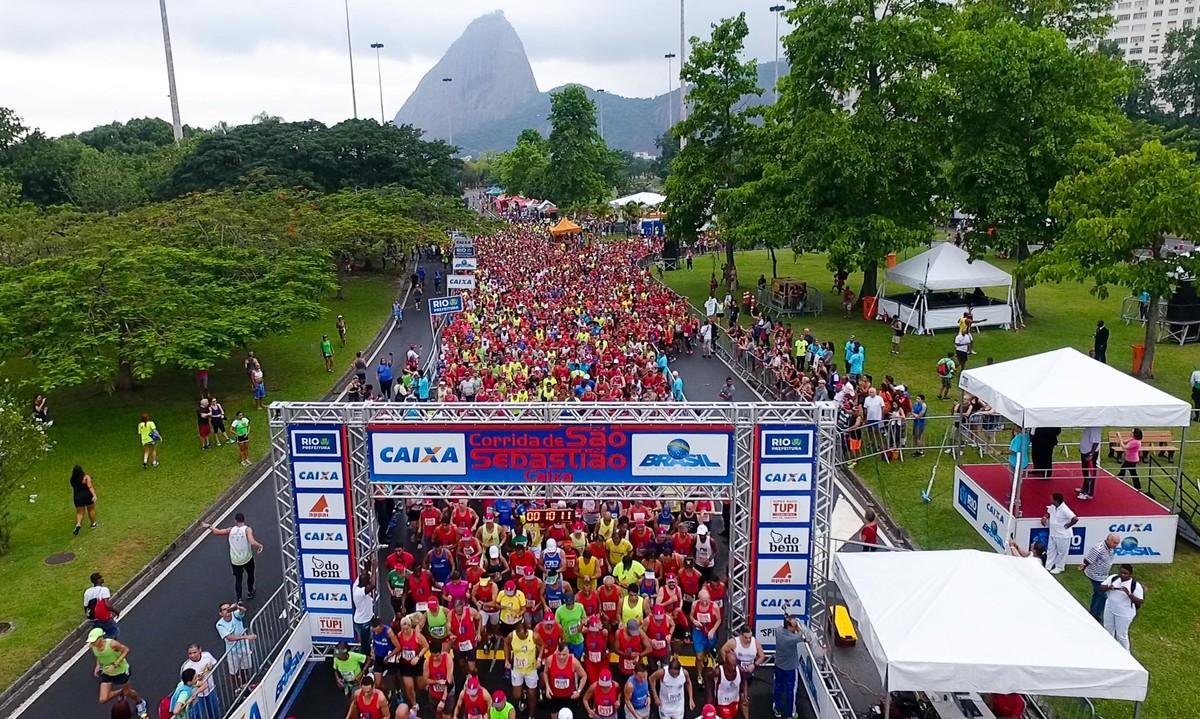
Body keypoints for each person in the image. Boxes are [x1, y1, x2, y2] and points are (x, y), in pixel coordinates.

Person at [201, 513, 263, 601]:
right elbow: (252, 542)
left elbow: (217, 532)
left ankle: (239, 599)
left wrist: (208, 526)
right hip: (247, 558)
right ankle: (250, 591)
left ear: (235, 521)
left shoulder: (230, 530)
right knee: (250, 574)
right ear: (244, 520)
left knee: (238, 579)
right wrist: (259, 546)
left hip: (235, 561)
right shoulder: (247, 530)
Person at [87, 628, 147, 714]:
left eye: (94, 641)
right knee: (103, 699)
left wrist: (114, 665)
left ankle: (140, 702)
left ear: (101, 638)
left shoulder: (112, 644)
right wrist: (98, 665)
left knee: (128, 692)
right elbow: (99, 656)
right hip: (107, 672)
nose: (92, 643)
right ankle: (121, 691)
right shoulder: (93, 647)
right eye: (91, 641)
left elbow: (126, 650)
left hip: (121, 671)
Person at [1102, 564, 1145, 650]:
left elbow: (1139, 602)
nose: (1123, 575)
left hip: (1124, 614)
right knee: (1107, 630)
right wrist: (1109, 587)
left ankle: (1126, 653)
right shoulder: (1113, 578)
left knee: (1121, 635)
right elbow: (1102, 588)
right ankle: (1108, 649)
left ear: (1130, 575)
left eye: (1125, 573)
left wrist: (1128, 593)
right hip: (1110, 608)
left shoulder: (1135, 585)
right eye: (1121, 572)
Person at [215, 602, 256, 690]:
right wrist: (246, 637)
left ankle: (244, 684)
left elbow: (243, 611)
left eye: (228, 608)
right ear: (221, 613)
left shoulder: (235, 614)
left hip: (244, 646)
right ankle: (236, 689)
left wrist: (237, 607)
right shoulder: (220, 624)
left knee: (245, 667)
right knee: (234, 672)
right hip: (232, 651)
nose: (227, 610)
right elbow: (230, 638)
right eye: (224, 609)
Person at [1081, 534, 1121, 622]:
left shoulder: (1110, 548)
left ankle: (1093, 612)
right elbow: (1088, 560)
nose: (1116, 545)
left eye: (1118, 543)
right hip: (1095, 575)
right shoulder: (1098, 549)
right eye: (1115, 543)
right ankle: (1096, 616)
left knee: (1097, 594)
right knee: (1103, 595)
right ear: (1108, 540)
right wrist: (1083, 567)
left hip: (1103, 575)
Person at [772, 615, 805, 719]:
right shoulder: (794, 638)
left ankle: (777, 708)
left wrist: (790, 621)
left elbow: (783, 627)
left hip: (779, 665)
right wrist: (799, 628)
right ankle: (790, 714)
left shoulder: (778, 631)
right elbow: (804, 636)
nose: (796, 627)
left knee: (778, 686)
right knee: (791, 691)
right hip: (790, 668)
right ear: (789, 627)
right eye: (795, 626)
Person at [1041, 493, 1078, 574]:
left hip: (1063, 536)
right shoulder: (1053, 506)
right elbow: (1048, 512)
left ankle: (1060, 567)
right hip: (1053, 533)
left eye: (1051, 498)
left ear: (1056, 500)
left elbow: (1075, 519)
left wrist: (1068, 525)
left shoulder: (1065, 509)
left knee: (1061, 552)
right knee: (1050, 550)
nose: (1050, 499)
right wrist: (1044, 517)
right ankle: (1048, 566)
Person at [181, 644, 219, 719]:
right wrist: (197, 680)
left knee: (214, 709)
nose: (192, 655)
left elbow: (214, 663)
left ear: (200, 650)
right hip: (197, 695)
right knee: (195, 714)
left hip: (210, 689)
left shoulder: (207, 656)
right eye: (190, 653)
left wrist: (211, 667)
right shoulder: (187, 667)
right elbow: (187, 683)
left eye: (195, 652)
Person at [85, 572, 119, 638]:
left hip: (93, 619)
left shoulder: (87, 592)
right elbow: (107, 605)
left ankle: (99, 641)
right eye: (101, 578)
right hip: (103, 618)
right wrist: (116, 611)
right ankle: (106, 641)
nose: (102, 579)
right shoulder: (104, 589)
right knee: (114, 632)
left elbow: (86, 606)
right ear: (98, 580)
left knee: (98, 635)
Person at [714, 653, 745, 719]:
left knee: (734, 716)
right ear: (726, 664)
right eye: (731, 666)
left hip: (734, 700)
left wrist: (743, 693)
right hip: (722, 702)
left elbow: (744, 682)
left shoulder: (740, 670)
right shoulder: (718, 672)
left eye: (734, 665)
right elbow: (708, 678)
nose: (733, 668)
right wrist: (710, 695)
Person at [70, 464, 98, 535]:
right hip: (87, 496)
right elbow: (90, 487)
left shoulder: (72, 480)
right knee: (91, 509)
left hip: (77, 497)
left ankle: (78, 524)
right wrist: (94, 495)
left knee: (80, 512)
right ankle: (93, 524)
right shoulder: (86, 477)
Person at [1078, 426, 1101, 500]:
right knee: (1085, 472)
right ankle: (1084, 488)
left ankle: (1089, 493)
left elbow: (1096, 442)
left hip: (1089, 453)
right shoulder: (1089, 427)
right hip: (1085, 451)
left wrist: (1091, 454)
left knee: (1090, 473)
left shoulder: (1095, 428)